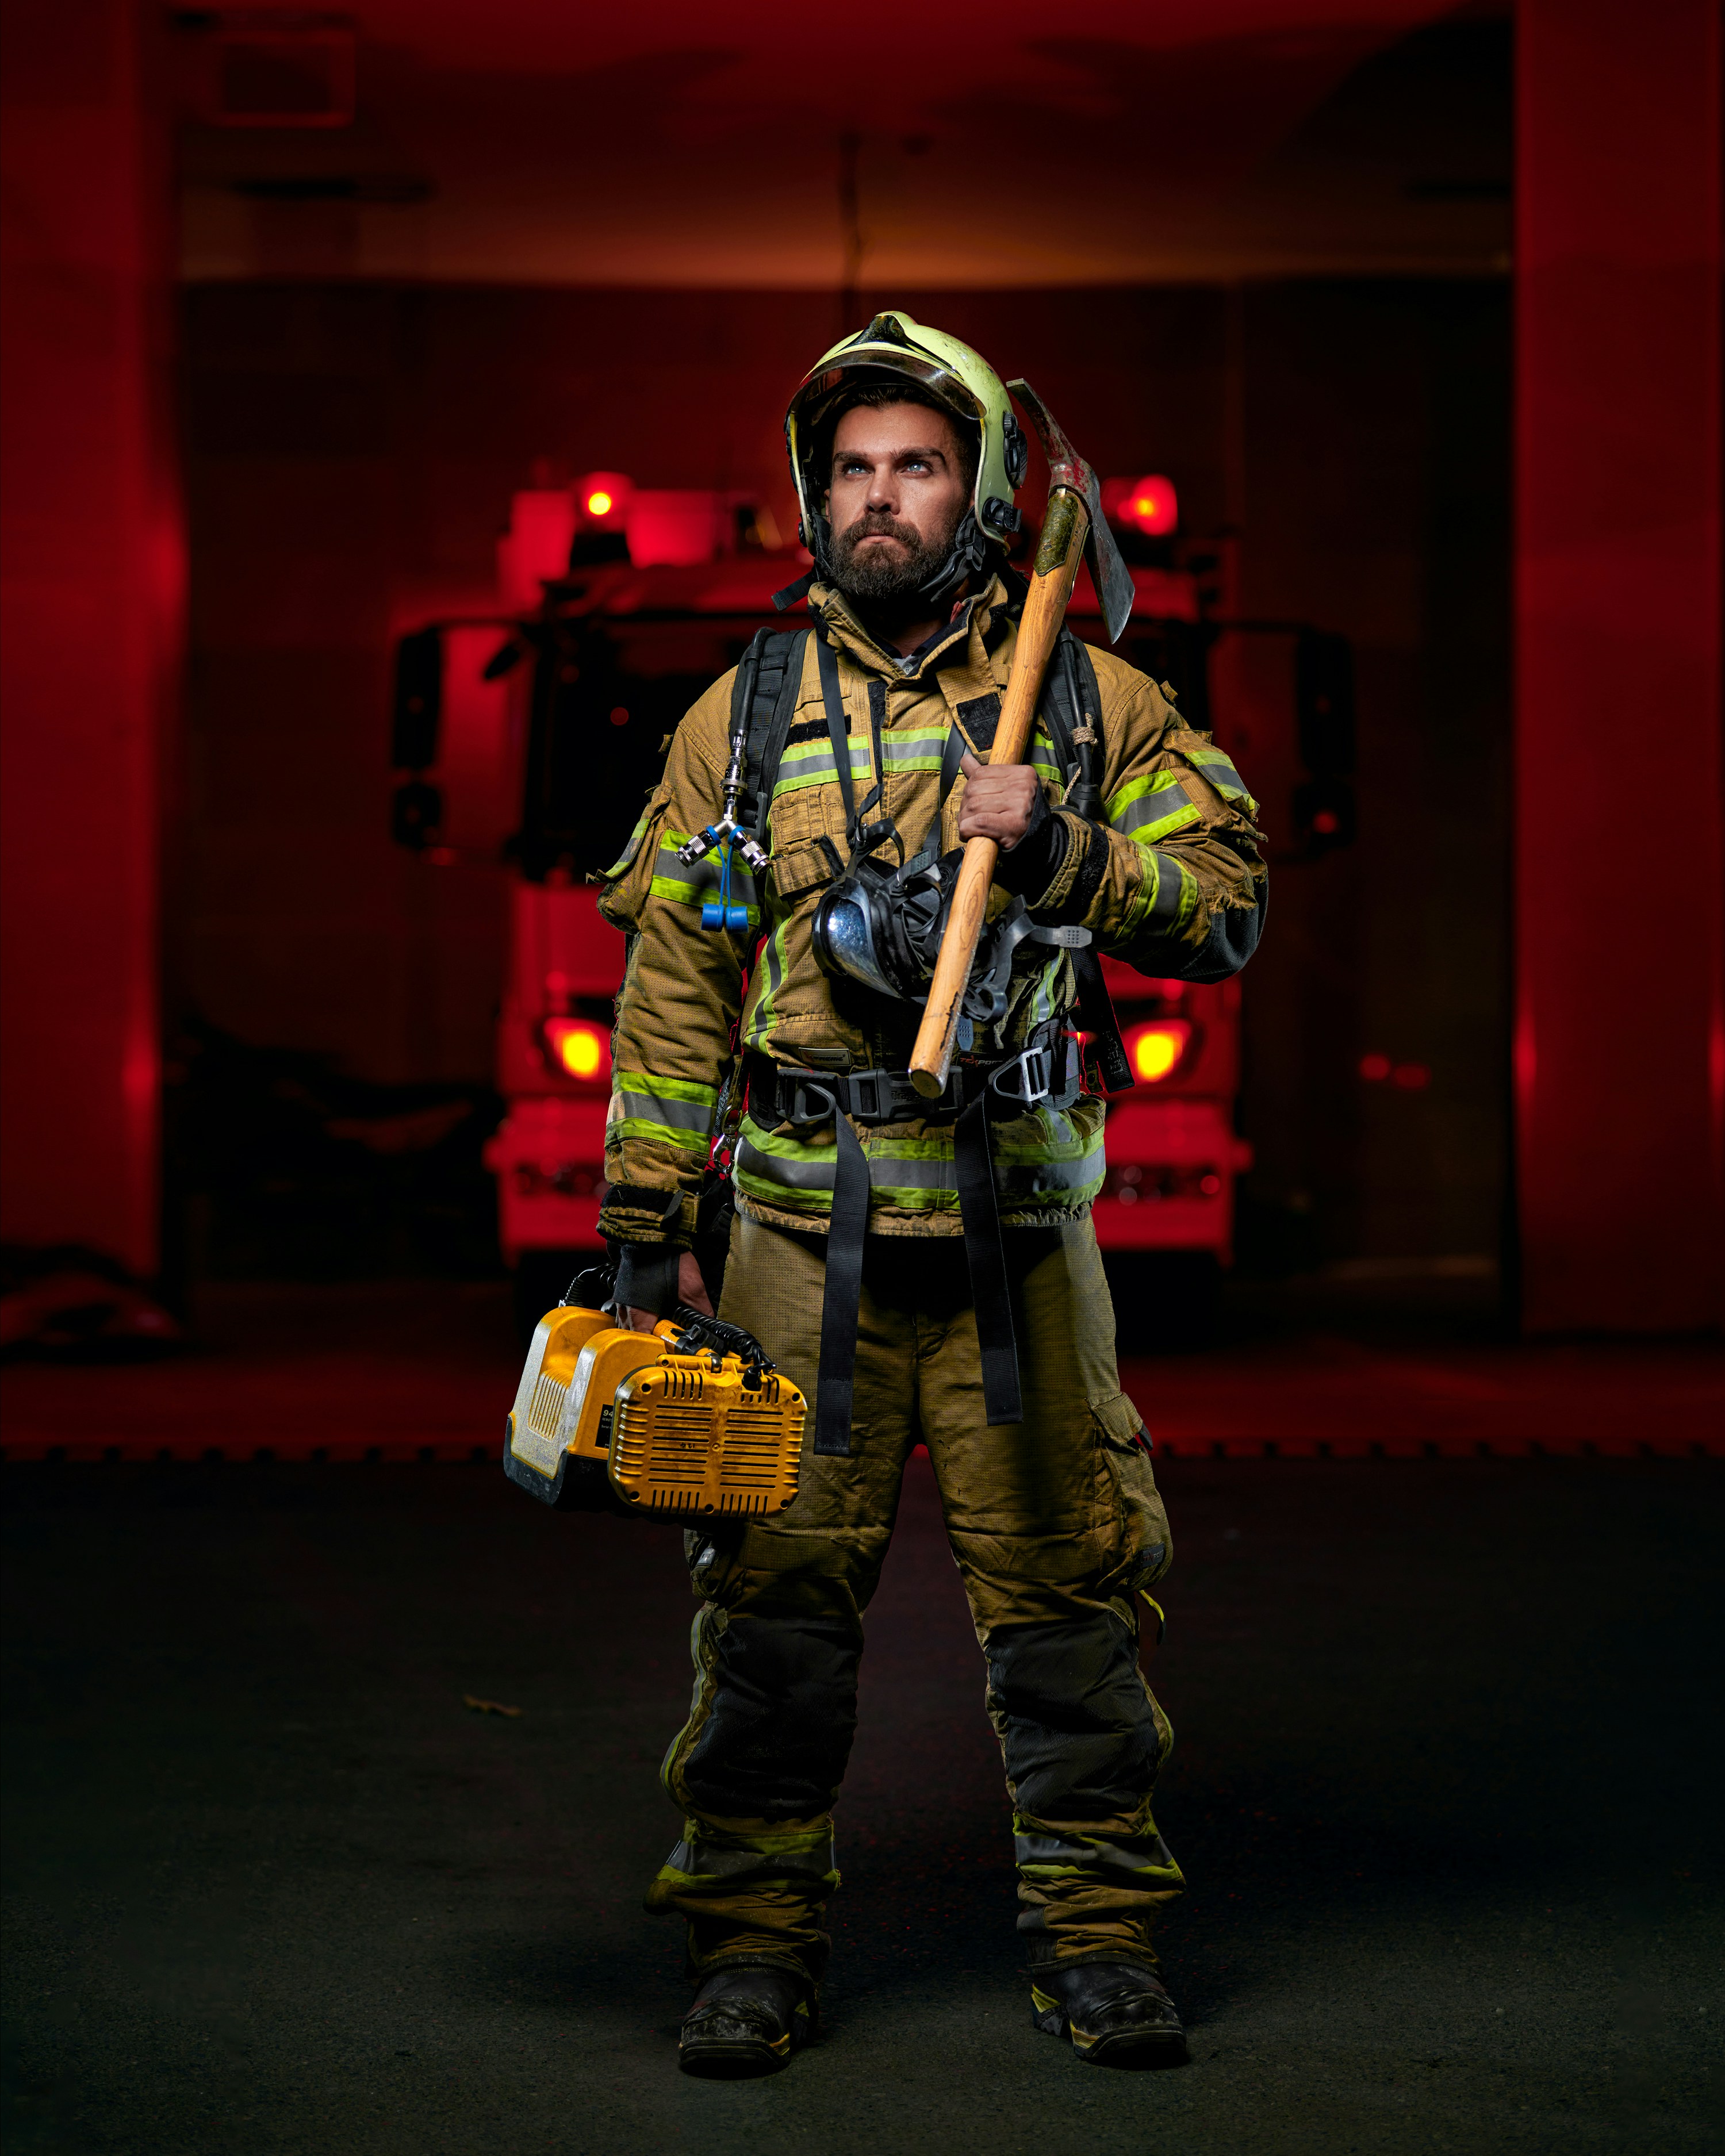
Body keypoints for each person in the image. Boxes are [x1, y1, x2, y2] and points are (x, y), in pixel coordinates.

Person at [595, 312, 1266, 2078]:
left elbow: (1230, 905)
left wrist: (1056, 841)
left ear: (977, 492)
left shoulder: (1088, 701)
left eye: (918, 463)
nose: (880, 497)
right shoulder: (735, 721)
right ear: (811, 500)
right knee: (769, 1617)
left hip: (1019, 1247)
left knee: (1070, 1606)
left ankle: (1102, 1941)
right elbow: (673, 987)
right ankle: (748, 1950)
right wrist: (644, 1219)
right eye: (852, 469)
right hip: (787, 1258)